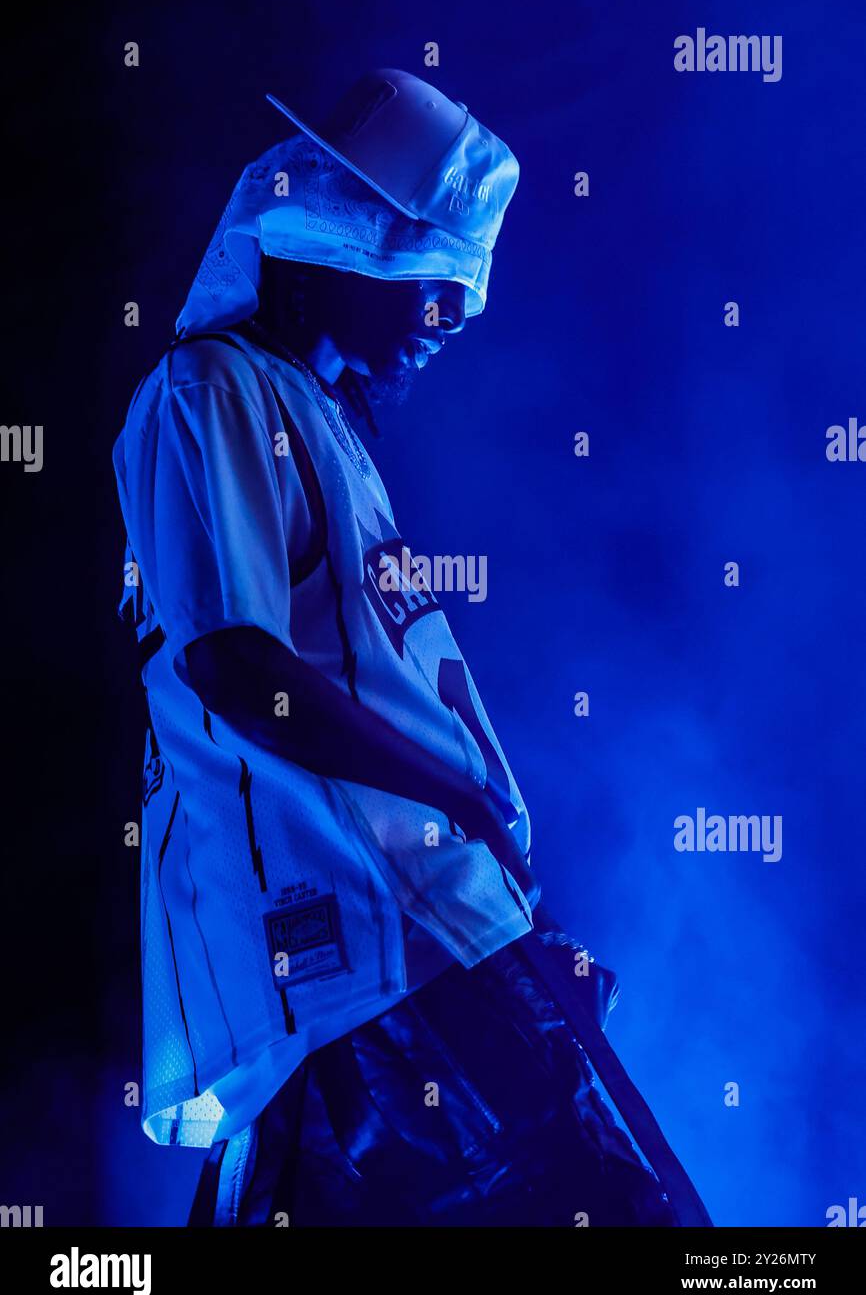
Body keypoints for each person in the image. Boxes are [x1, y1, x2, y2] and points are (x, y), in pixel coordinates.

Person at [113, 68, 708, 1226]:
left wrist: (509, 916)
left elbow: (372, 695)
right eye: (437, 284)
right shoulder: (207, 389)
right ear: (346, 242)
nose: (454, 318)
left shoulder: (325, 432)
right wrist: (462, 805)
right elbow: (231, 663)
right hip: (361, 966)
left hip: (421, 944)